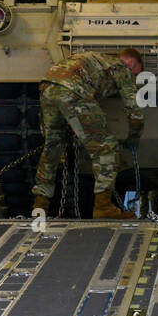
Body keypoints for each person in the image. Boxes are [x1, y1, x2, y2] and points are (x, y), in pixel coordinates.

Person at [31, 49, 144, 219]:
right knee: (106, 148)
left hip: (49, 84)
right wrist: (133, 138)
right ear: (133, 63)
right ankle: (103, 207)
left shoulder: (99, 58)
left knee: (52, 147)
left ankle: (40, 205)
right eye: (137, 72)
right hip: (74, 89)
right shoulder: (121, 67)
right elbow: (135, 111)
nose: (135, 77)